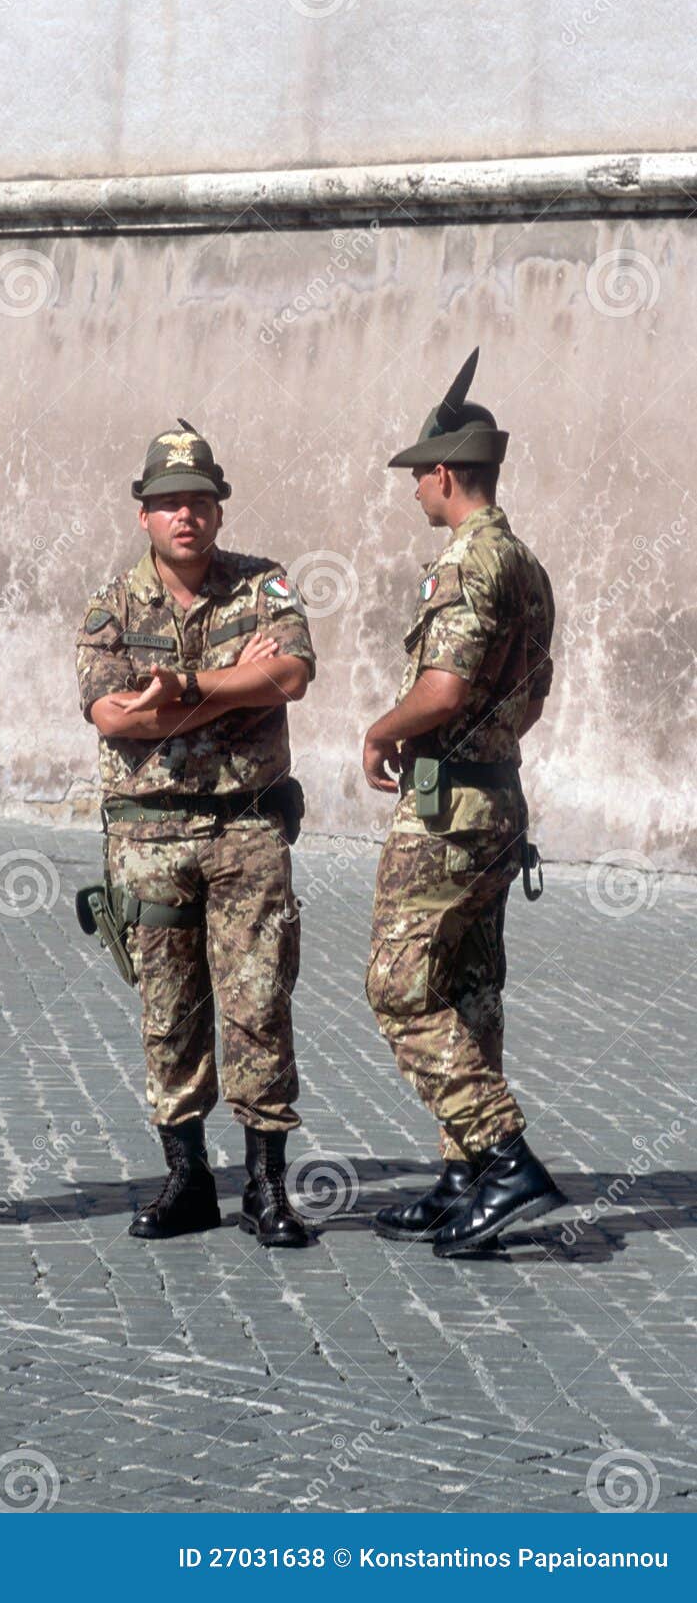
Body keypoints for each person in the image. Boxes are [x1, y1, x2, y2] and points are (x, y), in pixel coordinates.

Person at [75, 420, 316, 1248]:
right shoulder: (109, 608)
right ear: (142, 514)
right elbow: (113, 717)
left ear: (218, 510)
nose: (186, 516)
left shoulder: (264, 586)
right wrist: (229, 693)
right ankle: (186, 1180)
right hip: (150, 842)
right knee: (169, 1014)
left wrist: (181, 689)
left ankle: (264, 1187)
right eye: (169, 503)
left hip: (246, 831)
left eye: (200, 502)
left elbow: (289, 673)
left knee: (258, 1007)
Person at [362, 349, 566, 1257]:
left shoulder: (467, 563)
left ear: (446, 474)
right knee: (467, 989)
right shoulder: (524, 563)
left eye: (418, 477)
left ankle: (505, 1158)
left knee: (398, 987)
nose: (413, 491)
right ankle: (464, 1177)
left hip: (445, 811)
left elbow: (442, 690)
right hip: (495, 799)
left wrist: (380, 728)